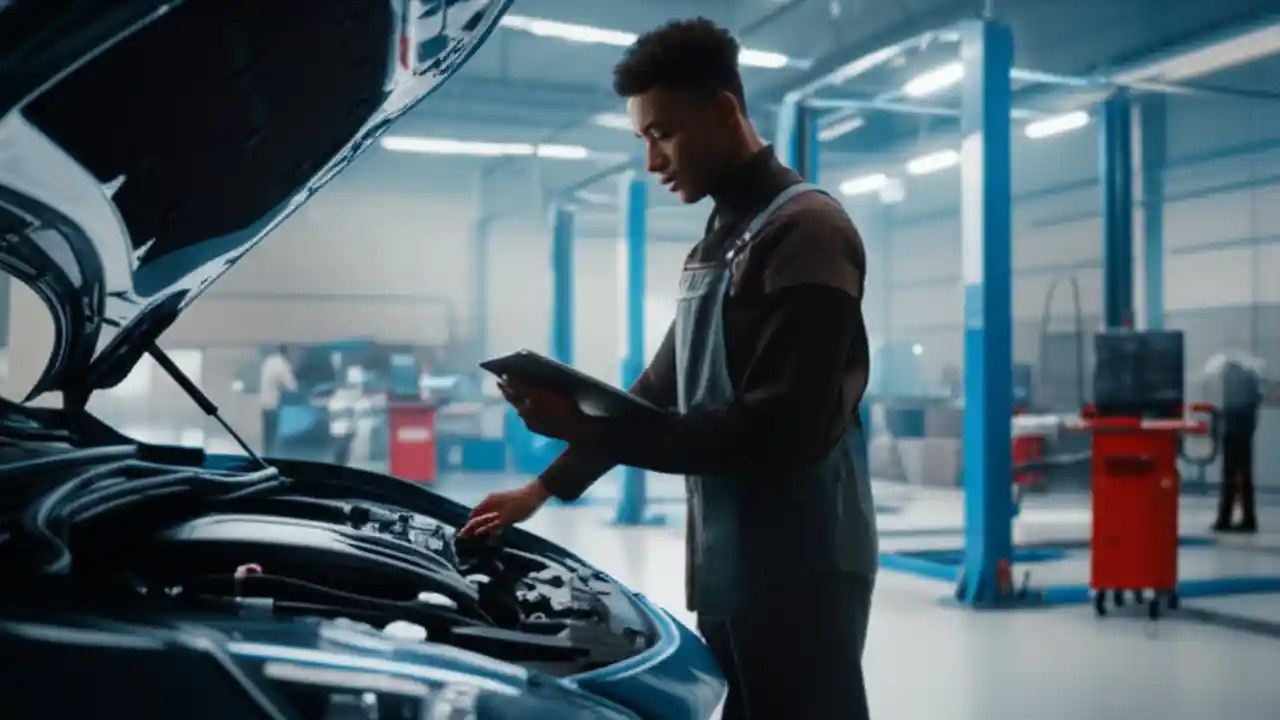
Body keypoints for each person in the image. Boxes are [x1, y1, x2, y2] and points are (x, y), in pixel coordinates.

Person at [461, 18, 877, 720]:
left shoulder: (806, 232)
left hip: (803, 560)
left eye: (664, 134)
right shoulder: (720, 241)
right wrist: (540, 489)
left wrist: (584, 430)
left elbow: (778, 432)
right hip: (734, 553)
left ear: (724, 111)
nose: (653, 161)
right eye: (643, 140)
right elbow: (657, 392)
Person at [1214, 359, 1263, 533]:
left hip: (1233, 430)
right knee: (1244, 475)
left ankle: (1225, 518)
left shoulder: (1233, 383)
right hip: (1245, 430)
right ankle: (1247, 517)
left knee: (1230, 475)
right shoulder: (1250, 381)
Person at [258, 344, 297, 455]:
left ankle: (266, 456)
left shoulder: (268, 361)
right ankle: (272, 457)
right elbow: (292, 386)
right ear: (287, 352)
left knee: (267, 436)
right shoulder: (282, 364)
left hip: (264, 404)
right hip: (274, 405)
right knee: (274, 436)